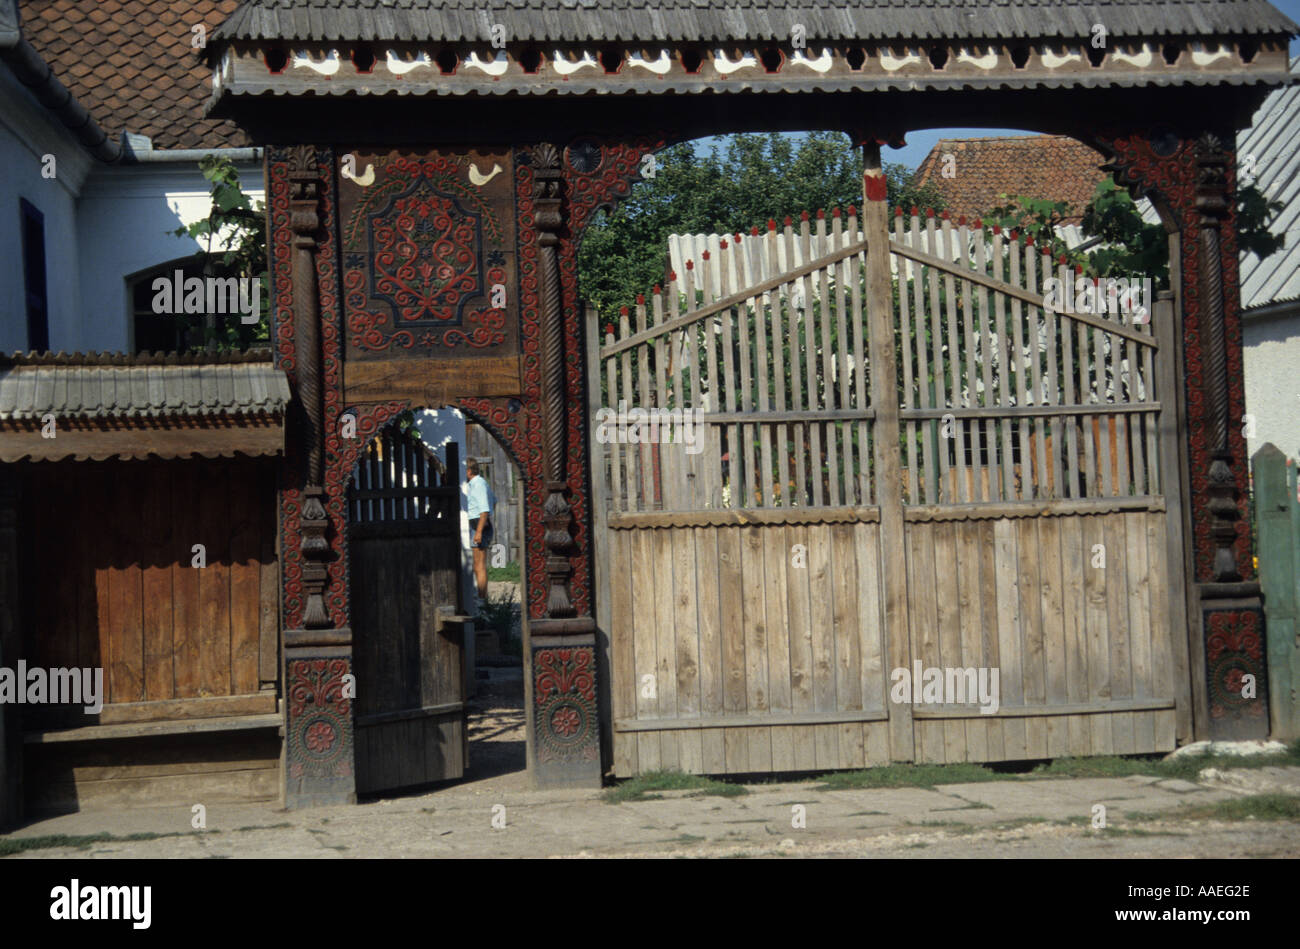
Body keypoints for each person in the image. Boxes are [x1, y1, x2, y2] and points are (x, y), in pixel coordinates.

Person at [465, 458, 496, 603]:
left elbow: (484, 510)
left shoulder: (478, 484)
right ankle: (481, 596)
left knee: (480, 564)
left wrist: (479, 531)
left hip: (479, 525)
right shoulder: (478, 483)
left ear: (469, 471)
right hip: (478, 524)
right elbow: (494, 501)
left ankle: (483, 599)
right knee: (477, 564)